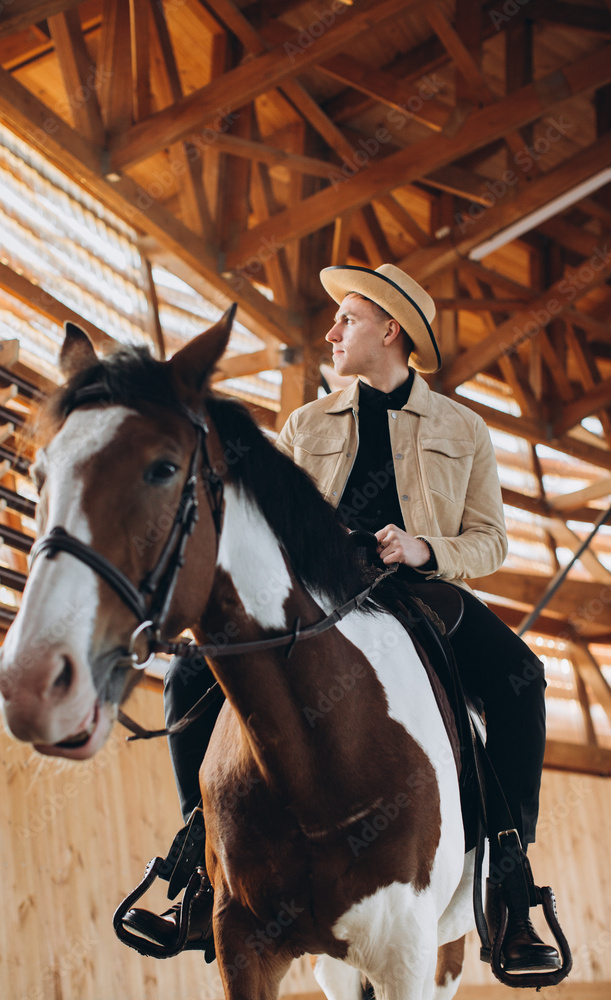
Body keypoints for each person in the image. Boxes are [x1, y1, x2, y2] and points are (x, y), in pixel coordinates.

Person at [135, 263, 560, 973]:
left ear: (389, 329)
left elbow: (490, 539)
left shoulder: (464, 428)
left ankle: (511, 886)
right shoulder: (305, 424)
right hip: (316, 597)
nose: (331, 331)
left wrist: (425, 547)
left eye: (348, 319)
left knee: (523, 676)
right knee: (186, 683)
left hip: (419, 593)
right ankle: (196, 866)